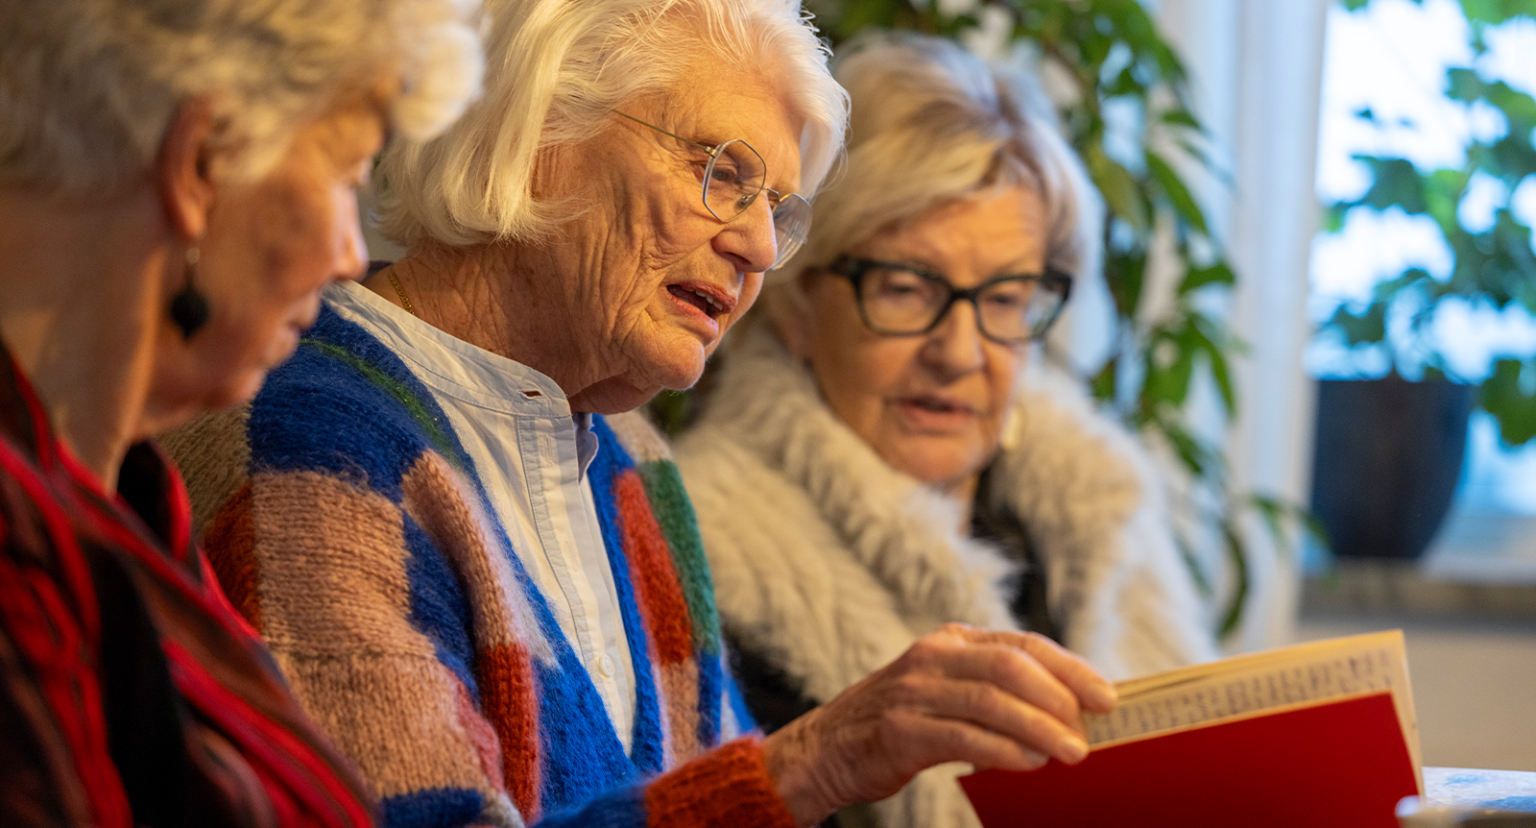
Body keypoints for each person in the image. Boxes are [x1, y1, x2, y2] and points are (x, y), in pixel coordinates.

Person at [163, 1, 1119, 827]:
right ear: (540, 137)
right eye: (722, 172)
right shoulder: (316, 439)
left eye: (777, 207)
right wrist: (811, 765)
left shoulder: (631, 462)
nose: (758, 245)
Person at [673, 32, 1220, 828]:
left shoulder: (1106, 519)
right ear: (797, 302)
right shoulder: (699, 551)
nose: (959, 353)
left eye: (1004, 299)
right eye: (905, 288)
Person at [0, 0, 484, 826]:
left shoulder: (134, 497)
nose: (352, 255)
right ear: (202, 162)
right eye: (347, 176)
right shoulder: (22, 551)